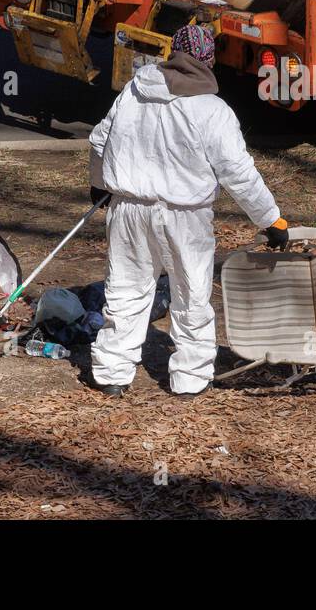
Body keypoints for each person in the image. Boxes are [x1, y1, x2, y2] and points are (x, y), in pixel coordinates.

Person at [86, 24, 289, 396]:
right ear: (209, 61)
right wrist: (270, 219)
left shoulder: (135, 91)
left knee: (126, 292)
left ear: (172, 55)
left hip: (129, 209)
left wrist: (98, 184)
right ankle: (189, 379)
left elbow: (100, 139)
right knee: (191, 295)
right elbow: (238, 172)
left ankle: (112, 374)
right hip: (185, 216)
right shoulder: (213, 110)